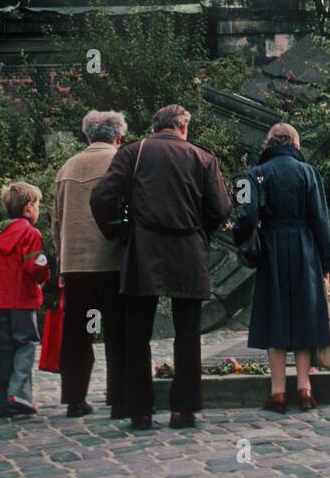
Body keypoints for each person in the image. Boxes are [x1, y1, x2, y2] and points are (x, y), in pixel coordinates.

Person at [90, 104, 232, 431]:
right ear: (183, 127)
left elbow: (101, 197)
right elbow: (221, 207)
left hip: (144, 249)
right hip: (187, 250)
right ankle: (183, 409)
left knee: (137, 333)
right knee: (188, 333)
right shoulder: (203, 158)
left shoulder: (132, 153)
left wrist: (121, 231)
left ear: (155, 127)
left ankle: (140, 410)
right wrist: (200, 229)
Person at [236, 122, 330, 413]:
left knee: (274, 315)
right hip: (305, 248)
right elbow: (321, 219)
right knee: (304, 313)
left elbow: (246, 215)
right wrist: (327, 261)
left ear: (268, 143)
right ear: (295, 143)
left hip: (271, 249)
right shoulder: (309, 173)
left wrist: (240, 239)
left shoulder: (255, 175)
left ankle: (277, 392)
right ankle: (305, 388)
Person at [53, 110, 128, 418]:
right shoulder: (121, 162)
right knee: (118, 331)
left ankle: (74, 397)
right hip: (111, 260)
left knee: (76, 333)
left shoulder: (68, 166)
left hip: (75, 263)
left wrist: (61, 261)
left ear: (87, 136)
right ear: (118, 136)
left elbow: (56, 220)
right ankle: (118, 393)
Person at [0, 182, 50, 417]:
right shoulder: (31, 234)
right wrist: (45, 275)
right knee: (26, 344)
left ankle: (4, 403)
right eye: (38, 204)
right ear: (29, 207)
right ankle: (19, 393)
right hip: (22, 299)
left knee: (5, 349)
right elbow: (35, 266)